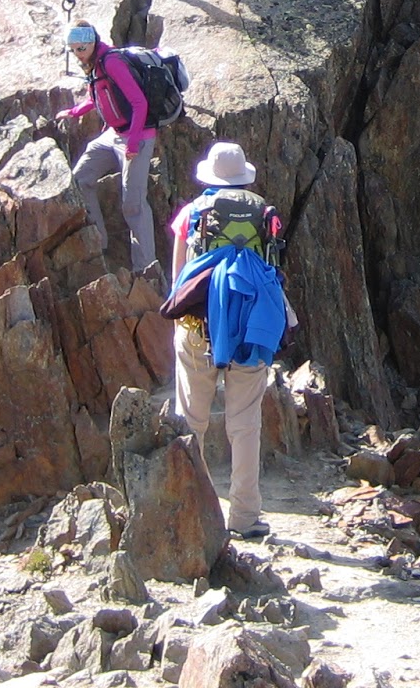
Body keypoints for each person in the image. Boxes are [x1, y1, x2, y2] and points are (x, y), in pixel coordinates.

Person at [166, 141, 290, 540]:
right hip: (250, 328)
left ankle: (192, 509)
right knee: (244, 421)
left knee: (191, 418)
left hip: (197, 325)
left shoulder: (191, 214)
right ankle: (244, 515)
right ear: (243, 177)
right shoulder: (263, 213)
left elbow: (179, 278)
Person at [55, 21, 158, 277]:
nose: (78, 53)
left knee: (133, 205)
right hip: (113, 135)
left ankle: (147, 272)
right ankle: (99, 240)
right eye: (74, 49)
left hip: (137, 137)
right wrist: (75, 111)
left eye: (82, 47)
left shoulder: (111, 62)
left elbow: (138, 103)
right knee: (81, 179)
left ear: (92, 42)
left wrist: (133, 142)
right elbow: (99, 95)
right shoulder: (95, 65)